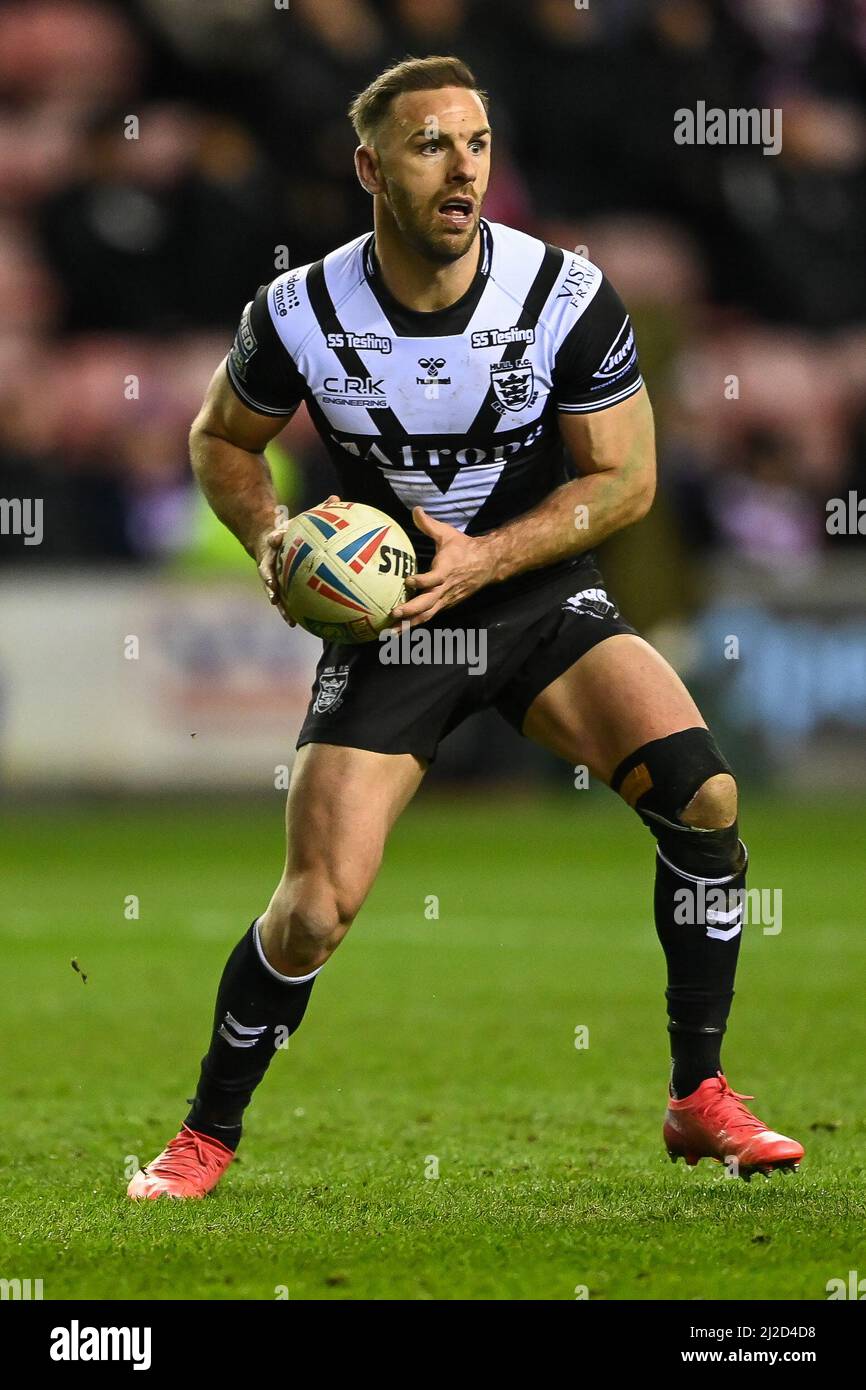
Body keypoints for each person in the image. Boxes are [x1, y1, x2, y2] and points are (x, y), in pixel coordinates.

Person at [127, 55, 803, 1199]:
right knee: (313, 911)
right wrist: (272, 539)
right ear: (369, 167)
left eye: (477, 143)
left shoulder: (565, 296)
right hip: (387, 619)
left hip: (533, 594)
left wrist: (488, 553)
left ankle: (698, 1096)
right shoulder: (299, 310)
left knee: (703, 796)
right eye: (431, 144)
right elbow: (218, 439)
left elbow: (624, 478)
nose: (462, 169)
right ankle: (204, 1135)